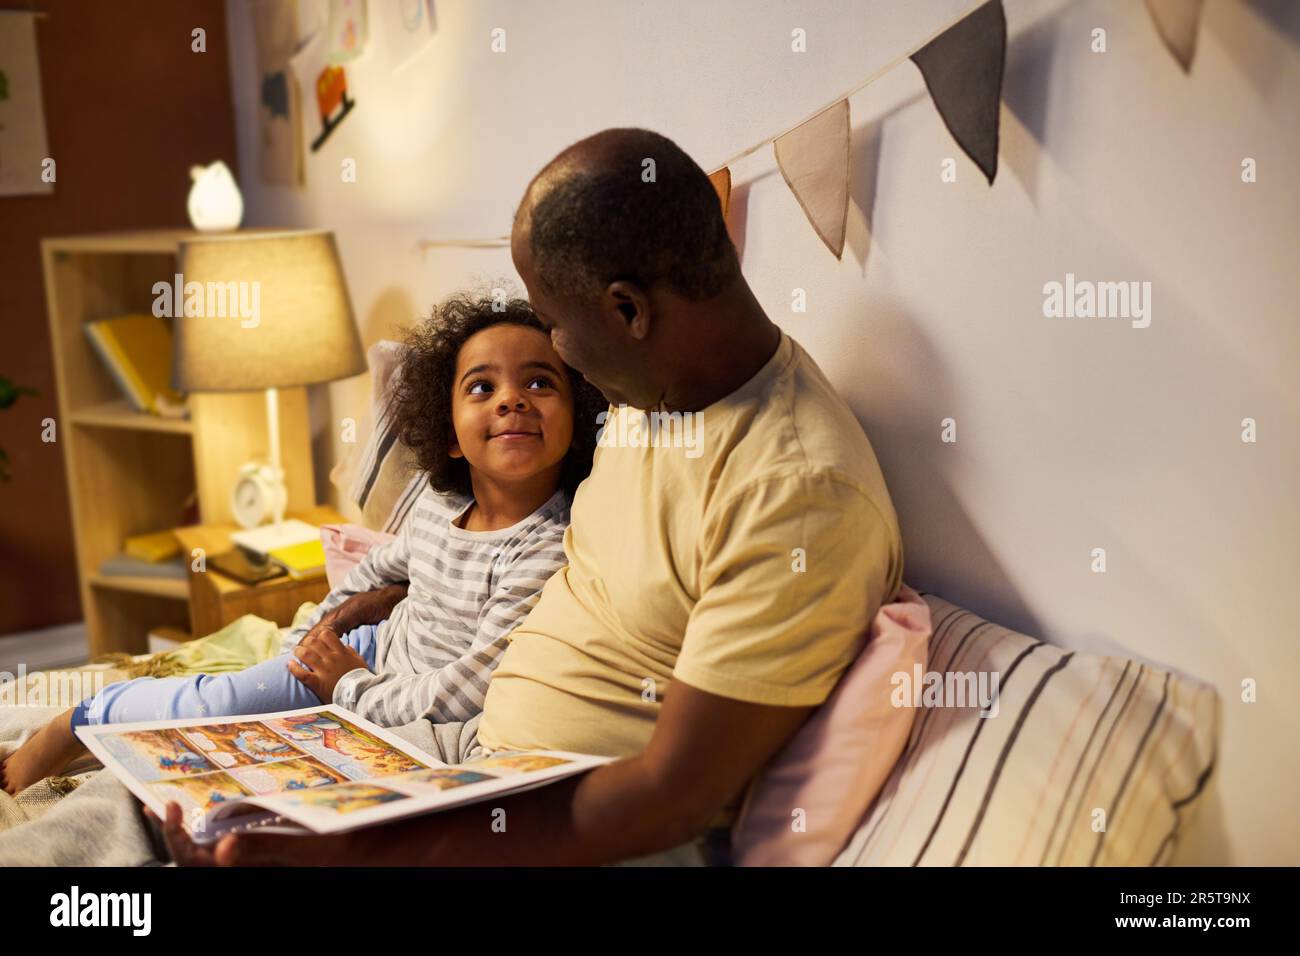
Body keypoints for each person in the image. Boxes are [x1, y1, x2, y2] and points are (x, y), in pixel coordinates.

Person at [155, 127, 906, 866]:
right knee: (178, 796)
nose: (560, 353)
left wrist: (369, 852)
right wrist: (388, 599)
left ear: (628, 312)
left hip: (573, 829)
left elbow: (666, 799)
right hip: (471, 763)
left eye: (554, 325)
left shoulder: (795, 494)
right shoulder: (657, 390)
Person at [0, 294, 605, 796]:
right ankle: (74, 724)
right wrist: (315, 633)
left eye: (538, 381)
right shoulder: (438, 507)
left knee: (227, 759)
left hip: (377, 691)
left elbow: (471, 687)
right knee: (217, 702)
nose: (511, 399)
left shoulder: (548, 547)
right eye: (481, 387)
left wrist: (348, 687)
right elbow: (373, 571)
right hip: (362, 654)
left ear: (575, 419)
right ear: (450, 437)